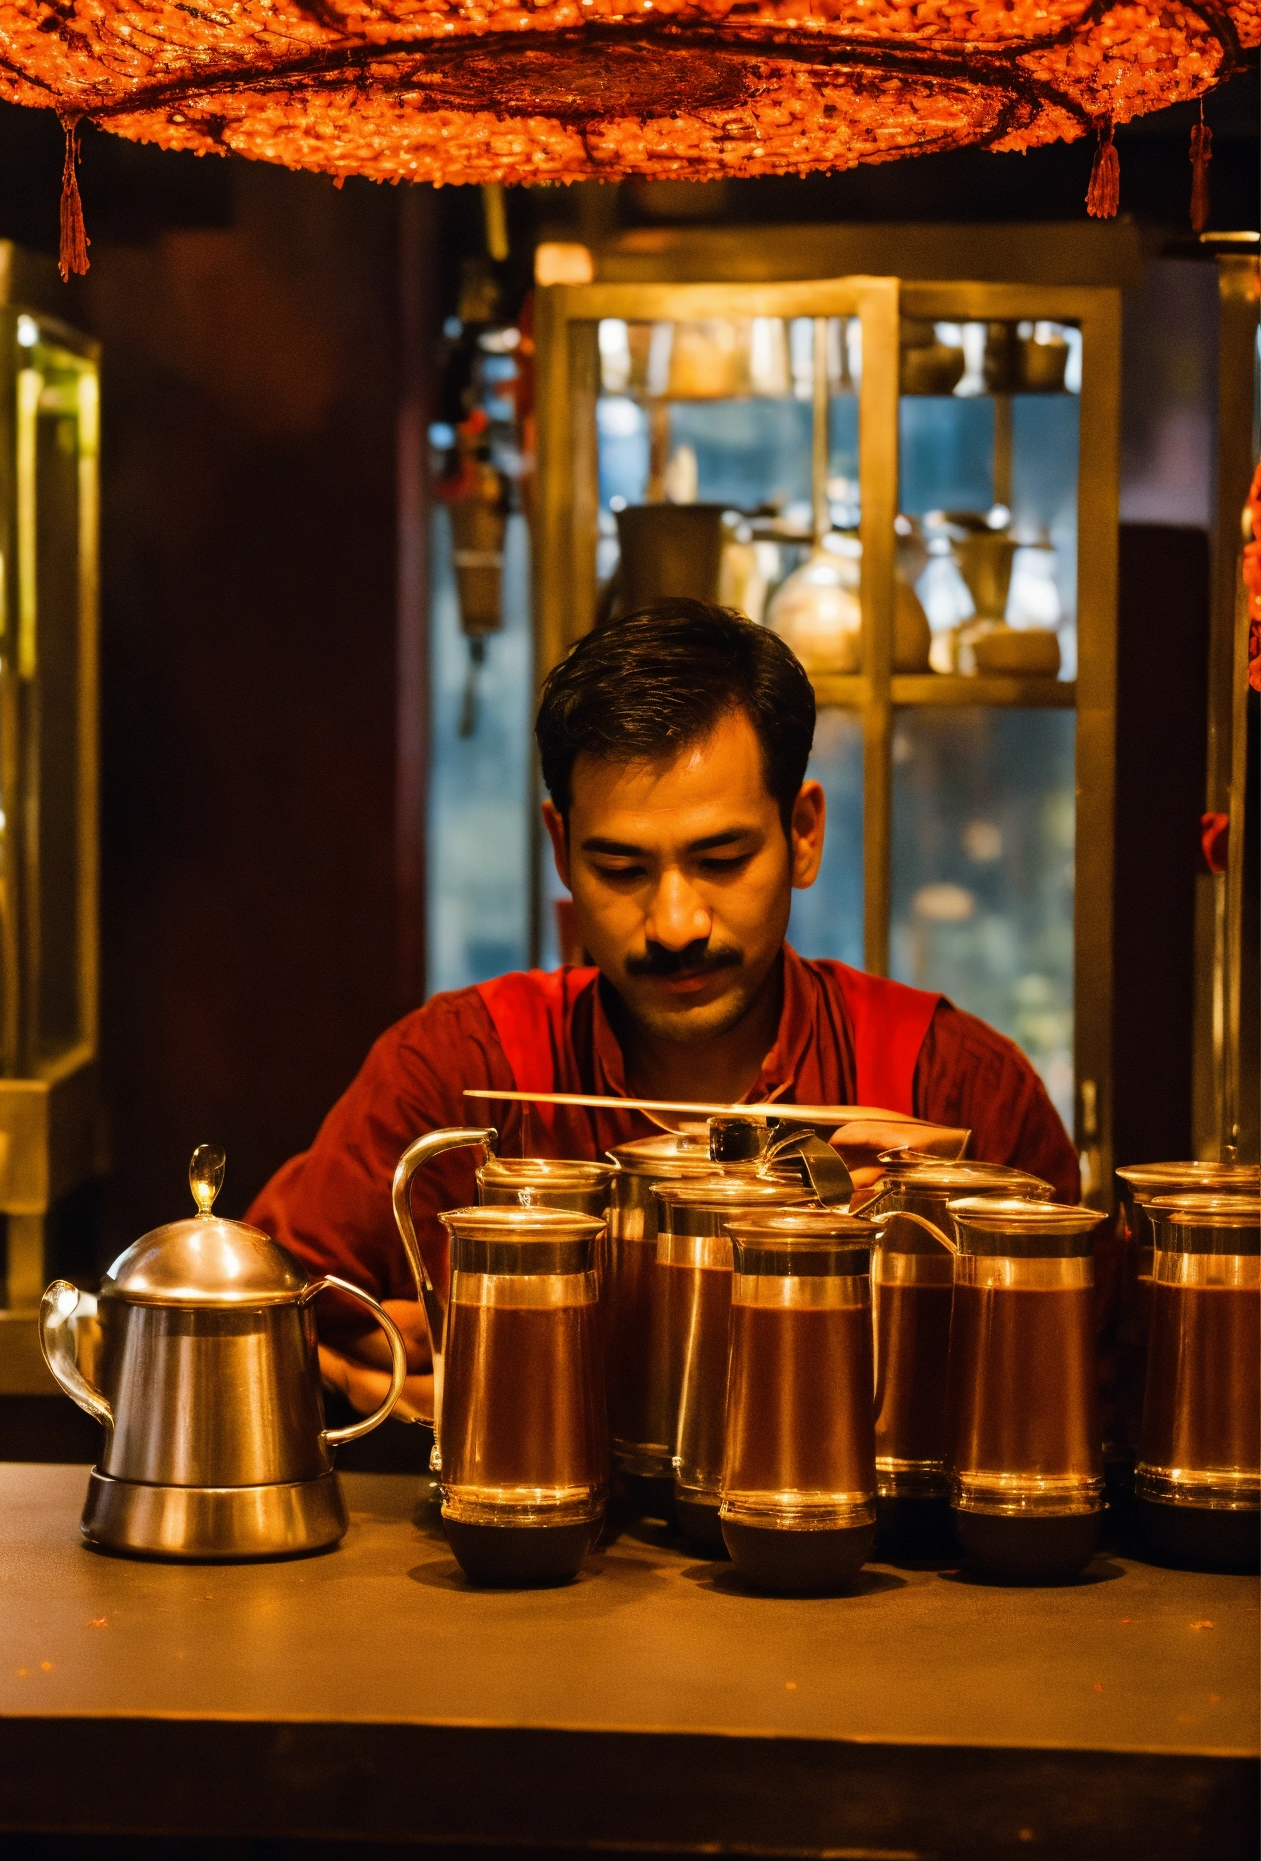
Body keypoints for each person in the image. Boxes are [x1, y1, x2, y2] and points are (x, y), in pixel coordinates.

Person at [248, 600, 1080, 1425]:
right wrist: (358, 1381)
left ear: (803, 833)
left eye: (721, 860)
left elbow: (1081, 1407)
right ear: (560, 850)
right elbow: (253, 1305)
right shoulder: (464, 1071)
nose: (676, 923)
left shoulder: (954, 1084)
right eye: (621, 869)